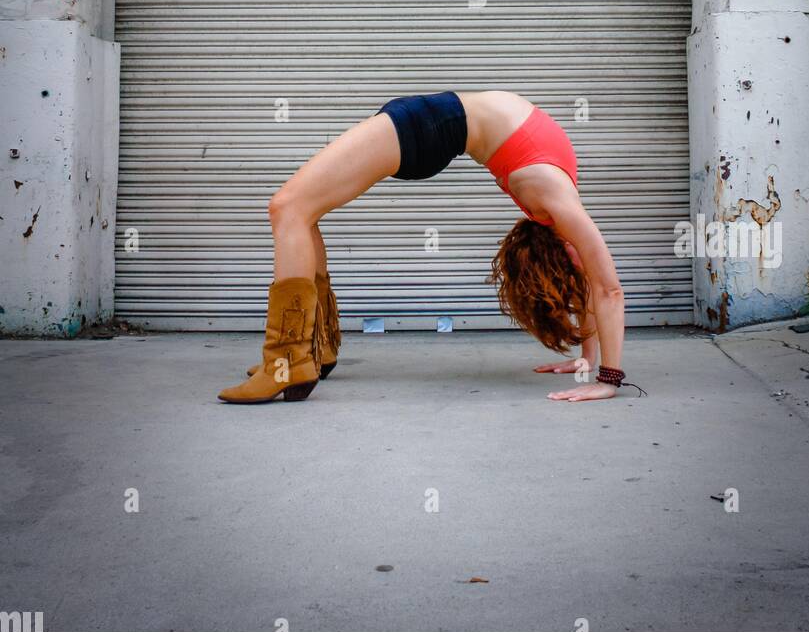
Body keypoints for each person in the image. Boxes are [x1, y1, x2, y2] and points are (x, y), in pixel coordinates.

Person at [218, 90, 632, 406]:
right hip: (431, 122)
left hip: (427, 126)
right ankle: (309, 351)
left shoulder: (552, 200)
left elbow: (604, 288)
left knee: (288, 208)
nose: (588, 262)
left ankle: (287, 359)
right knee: (302, 212)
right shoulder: (558, 203)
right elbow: (599, 285)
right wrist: (589, 358)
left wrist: (603, 376)